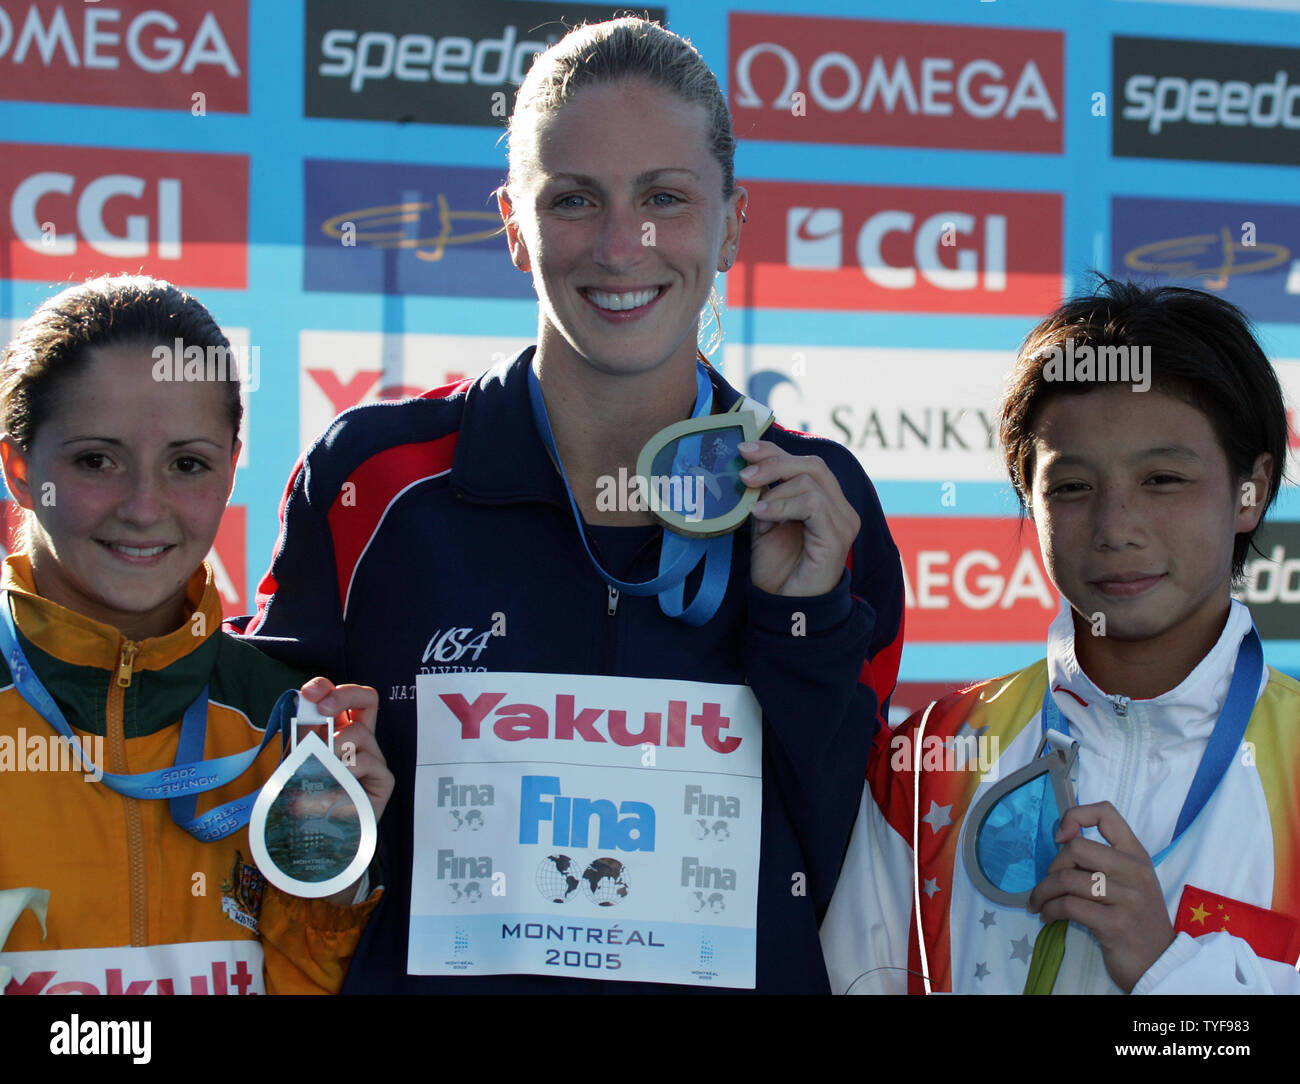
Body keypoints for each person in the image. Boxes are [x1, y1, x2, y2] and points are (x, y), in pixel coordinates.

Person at [241, 17, 904, 993]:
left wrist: (799, 624)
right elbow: (271, 820)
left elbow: (848, 847)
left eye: (664, 198)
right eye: (574, 199)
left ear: (730, 225)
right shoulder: (373, 477)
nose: (621, 244)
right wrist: (324, 779)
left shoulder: (816, 501)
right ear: (513, 225)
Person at [821, 278, 1300, 995]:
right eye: (1071, 487)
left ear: (1250, 490)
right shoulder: (928, 757)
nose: (1115, 529)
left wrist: (1169, 971)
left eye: (1163, 479)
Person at [0, 275, 392, 995]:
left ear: (232, 467)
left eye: (187, 465)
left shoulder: (283, 726)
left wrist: (335, 869)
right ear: (20, 470)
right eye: (96, 460)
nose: (144, 508)